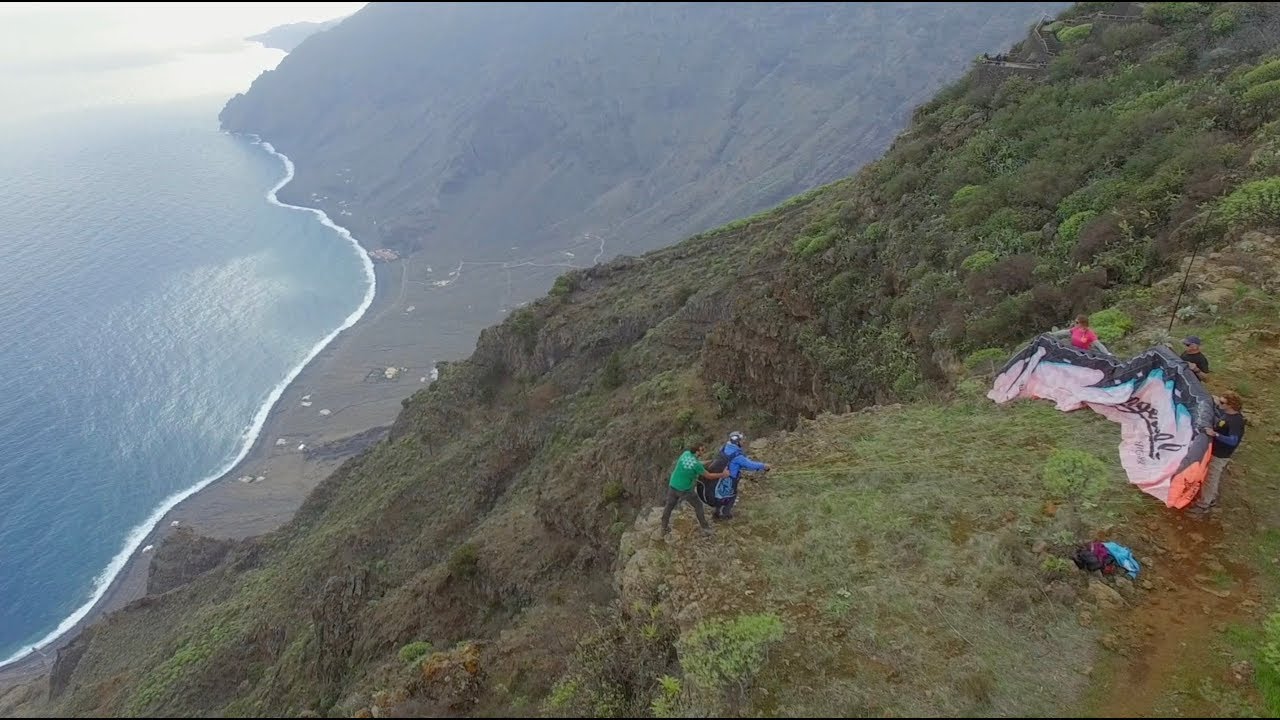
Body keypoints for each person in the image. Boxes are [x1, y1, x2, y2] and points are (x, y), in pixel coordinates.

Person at [1190, 391, 1246, 517]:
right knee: (1211, 477)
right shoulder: (1227, 414)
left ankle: (1203, 504)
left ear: (1231, 405)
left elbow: (1233, 440)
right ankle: (1212, 498)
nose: (1219, 404)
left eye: (1222, 403)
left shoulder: (1236, 421)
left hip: (1221, 455)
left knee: (1210, 478)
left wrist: (1216, 434)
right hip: (1216, 451)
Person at [661, 442, 730, 536]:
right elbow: (708, 476)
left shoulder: (685, 454)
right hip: (684, 490)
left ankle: (663, 528)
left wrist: (710, 461)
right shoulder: (696, 465)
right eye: (702, 450)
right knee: (698, 506)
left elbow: (695, 463)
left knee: (669, 507)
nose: (704, 451)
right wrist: (723, 475)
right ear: (697, 451)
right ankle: (706, 529)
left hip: (673, 485)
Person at [712, 431, 770, 520]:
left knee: (721, 494)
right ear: (737, 441)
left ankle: (716, 513)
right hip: (731, 479)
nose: (743, 442)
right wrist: (763, 466)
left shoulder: (724, 447)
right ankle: (725, 515)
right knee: (731, 496)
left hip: (721, 476)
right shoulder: (737, 455)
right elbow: (750, 465)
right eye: (741, 440)